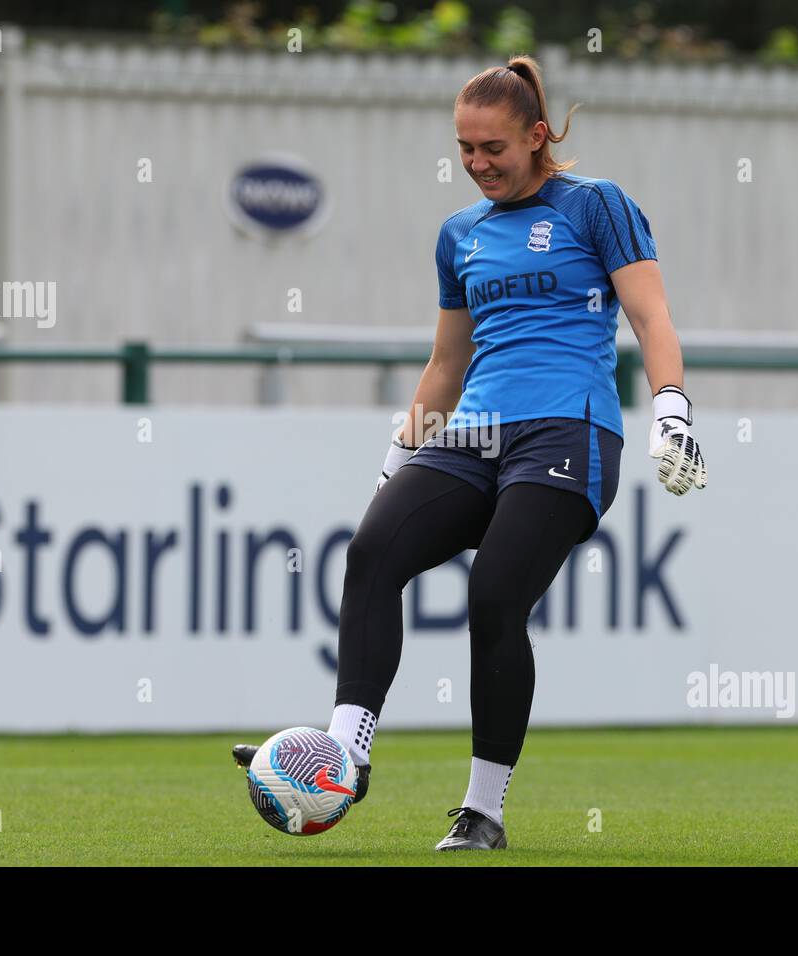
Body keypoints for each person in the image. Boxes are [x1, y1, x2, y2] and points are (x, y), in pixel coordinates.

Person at [234, 53, 706, 851]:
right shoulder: (460, 235)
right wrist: (399, 458)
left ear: (536, 135)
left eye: (494, 148)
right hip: (475, 433)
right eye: (465, 150)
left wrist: (671, 412)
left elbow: (652, 319)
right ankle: (346, 758)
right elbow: (448, 363)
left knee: (493, 599)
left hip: (570, 430)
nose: (478, 164)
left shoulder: (598, 206)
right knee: (373, 552)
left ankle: (483, 809)